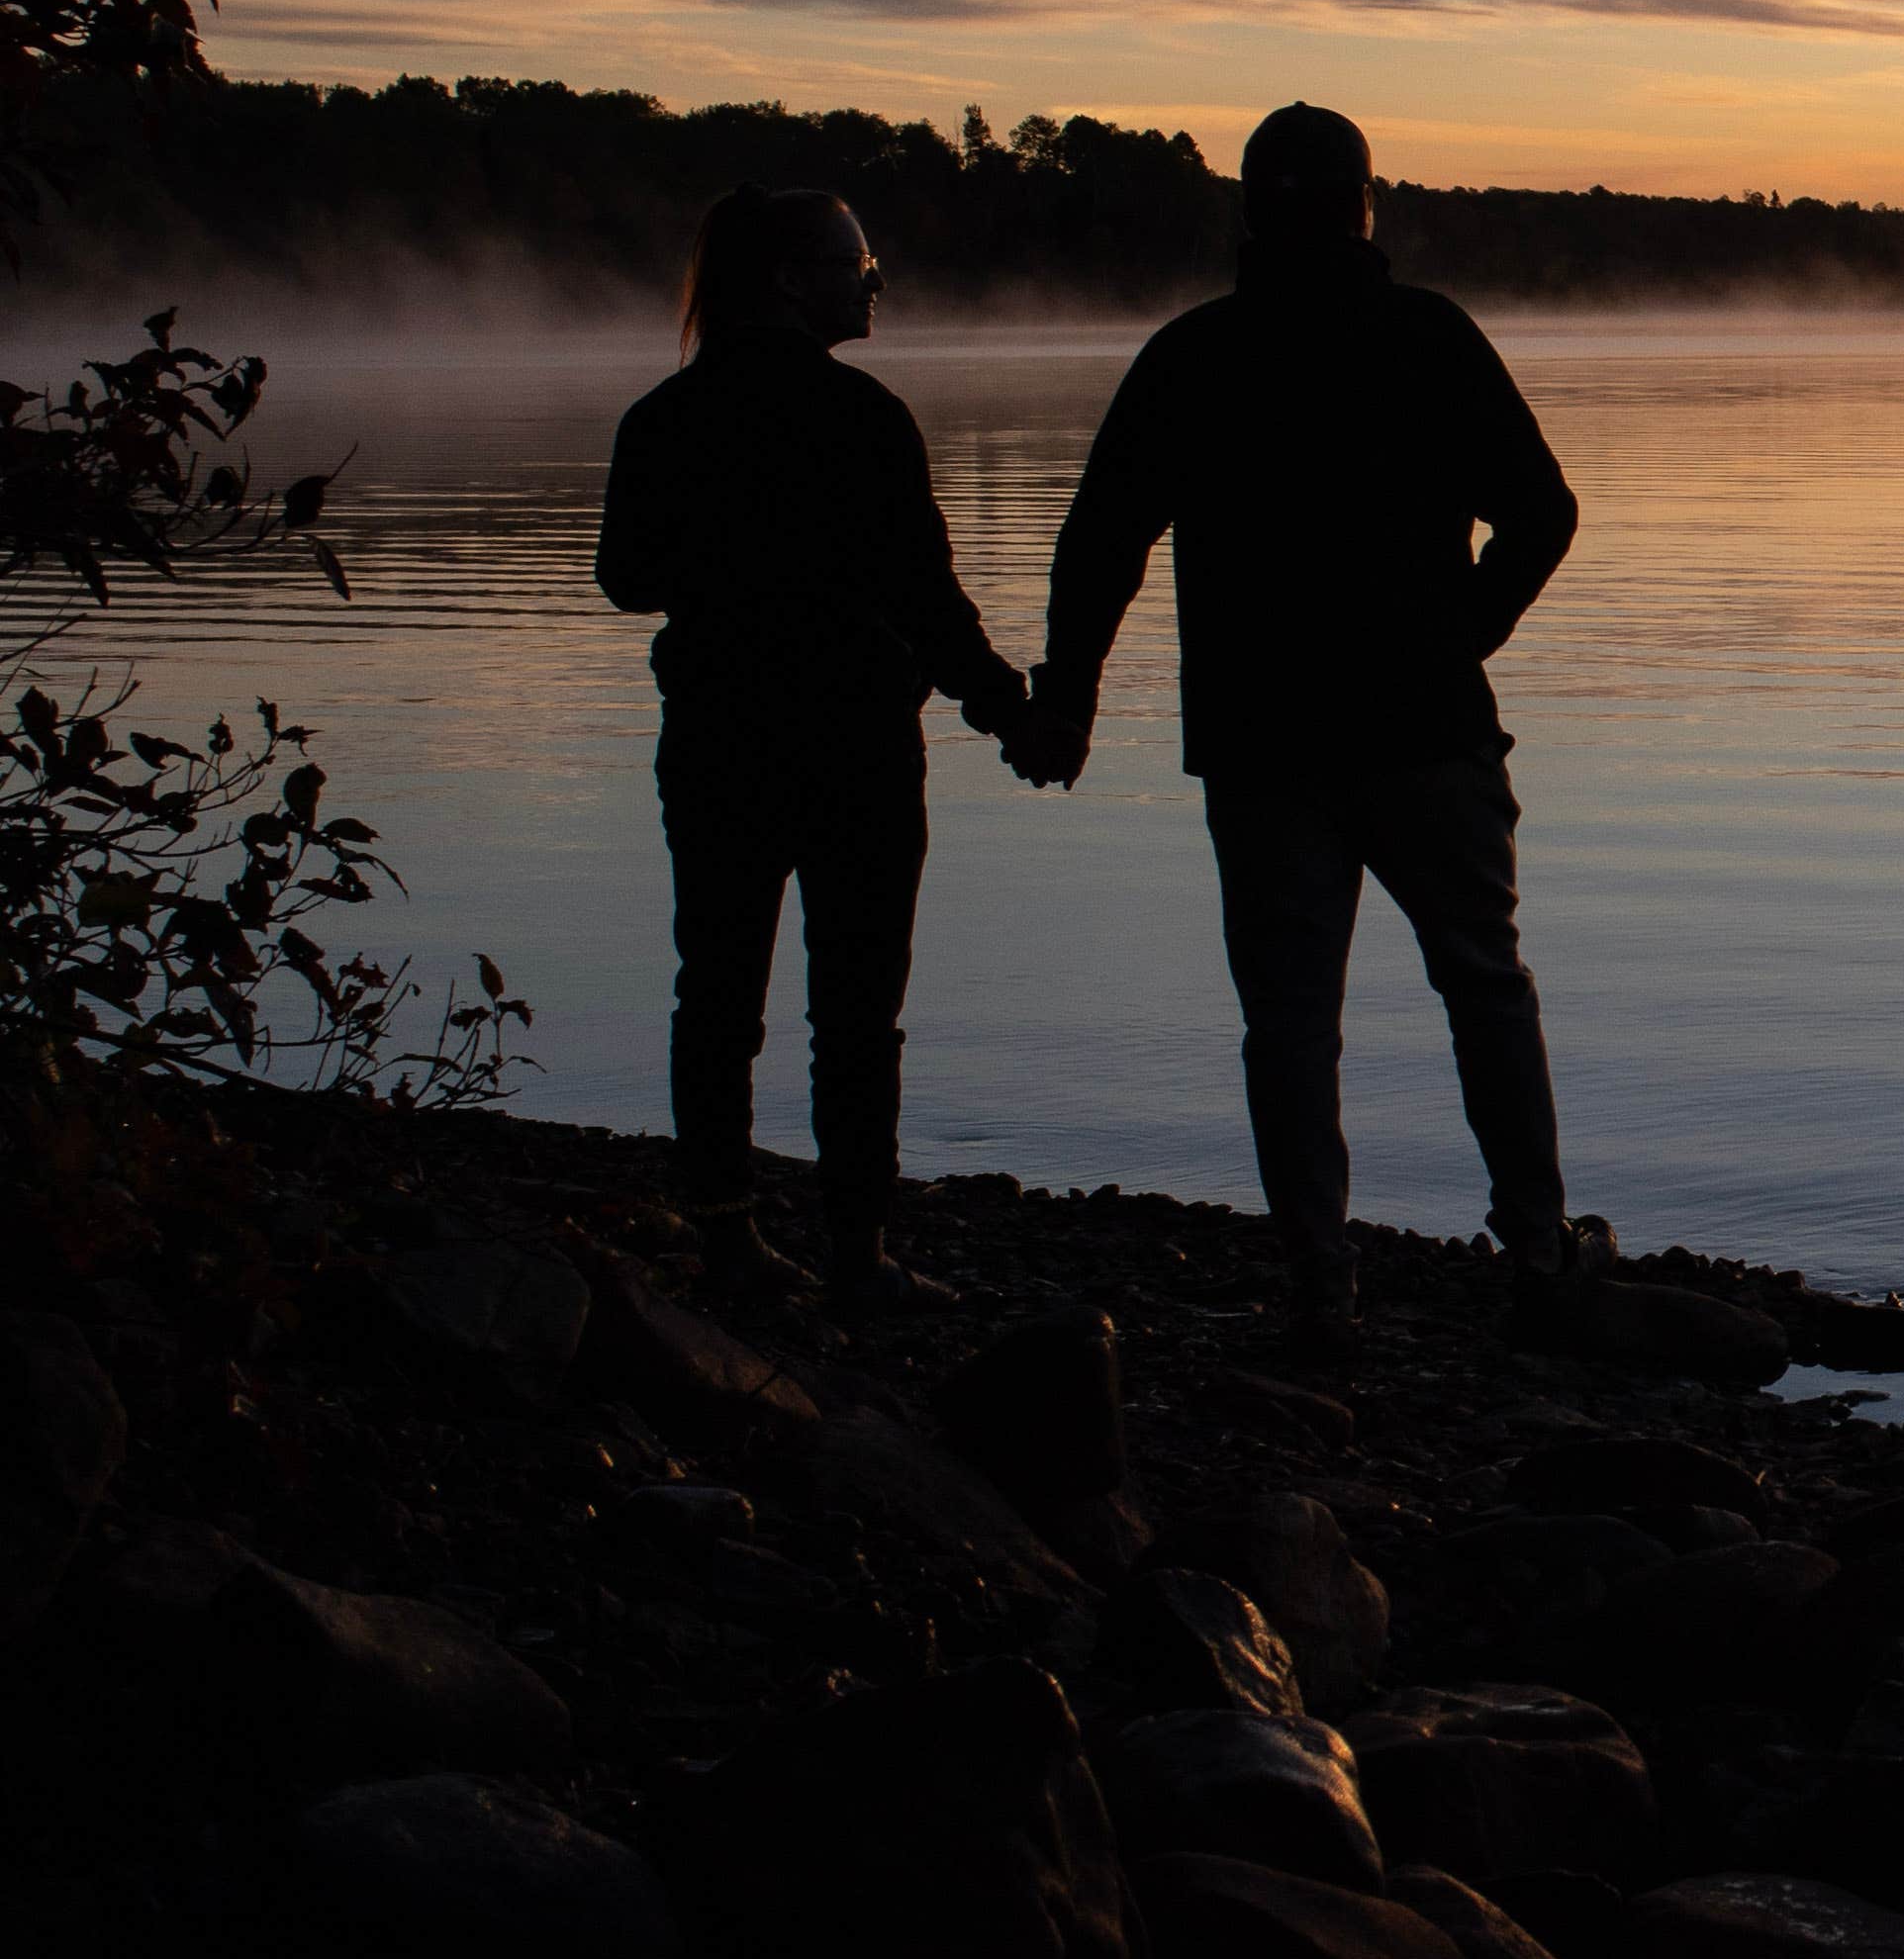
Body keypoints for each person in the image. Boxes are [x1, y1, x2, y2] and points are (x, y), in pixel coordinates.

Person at [1001, 103, 1605, 1362]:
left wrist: (1070, 696)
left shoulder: (1195, 354)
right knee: (1483, 986)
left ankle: (1318, 1286)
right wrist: (1463, 635)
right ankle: (1539, 1255)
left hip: (1262, 742)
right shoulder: (1425, 336)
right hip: (1425, 729)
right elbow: (1543, 513)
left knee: (1290, 1020)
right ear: (1363, 206)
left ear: (1249, 214)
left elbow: (1101, 539)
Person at [596, 186, 1026, 1312]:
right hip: (858, 749)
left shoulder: (661, 420)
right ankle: (855, 1249)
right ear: (790, 281)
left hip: (716, 740)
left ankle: (728, 1238)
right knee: (857, 1008)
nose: (871, 284)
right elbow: (928, 598)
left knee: (719, 993)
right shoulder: (863, 418)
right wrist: (1009, 711)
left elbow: (625, 579)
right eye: (858, 266)